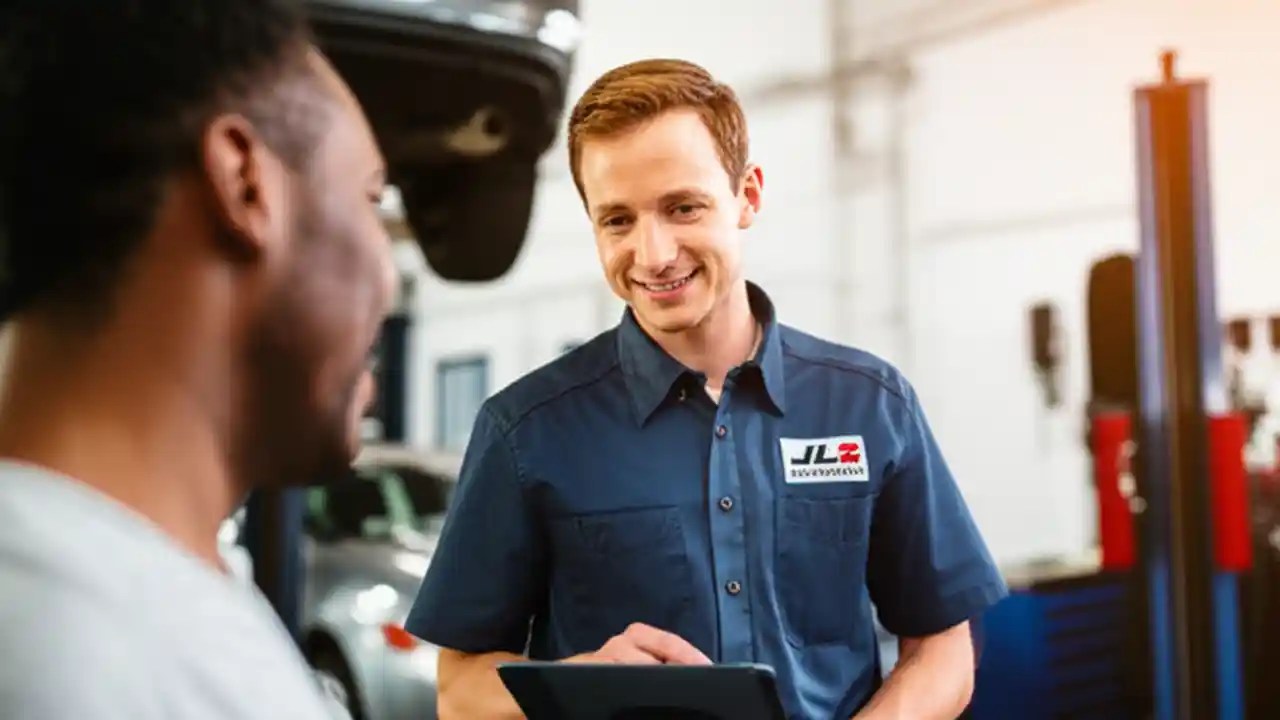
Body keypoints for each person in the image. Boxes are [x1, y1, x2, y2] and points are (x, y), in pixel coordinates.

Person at [408, 58, 1008, 720]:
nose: (654, 252)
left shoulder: (869, 405)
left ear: (747, 195)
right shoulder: (526, 431)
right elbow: (459, 687)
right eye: (618, 220)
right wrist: (579, 682)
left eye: (682, 207)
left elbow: (943, 647)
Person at [0, 1, 396, 718]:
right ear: (245, 183)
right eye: (371, 198)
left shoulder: (121, 601)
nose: (390, 273)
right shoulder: (101, 656)